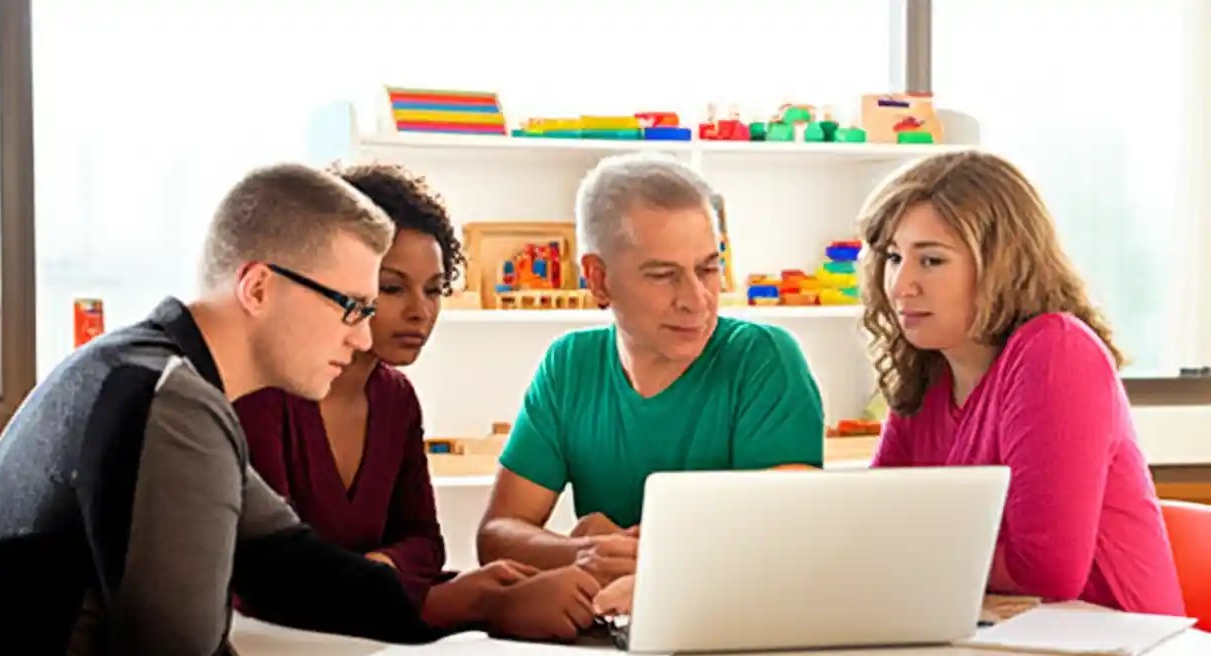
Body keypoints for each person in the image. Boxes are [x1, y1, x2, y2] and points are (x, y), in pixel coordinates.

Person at [0, 163, 541, 656]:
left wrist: (461, 605)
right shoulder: (169, 399)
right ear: (257, 288)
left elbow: (287, 563)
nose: (361, 340)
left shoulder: (153, 374)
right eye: (349, 308)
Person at [234, 163, 600, 641]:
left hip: (372, 644)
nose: (419, 311)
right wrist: (458, 599)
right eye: (391, 288)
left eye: (433, 290)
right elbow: (268, 578)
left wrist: (382, 576)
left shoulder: (396, 398)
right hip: (277, 648)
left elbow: (426, 543)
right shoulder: (266, 394)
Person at [476, 153, 826, 591]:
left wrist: (636, 549)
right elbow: (497, 535)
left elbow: (788, 534)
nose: (696, 299)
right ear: (598, 280)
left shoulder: (762, 358)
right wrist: (585, 553)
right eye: (664, 275)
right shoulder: (569, 365)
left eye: (708, 269)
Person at [859, 149, 1185, 615]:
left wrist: (910, 552)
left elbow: (1046, 571)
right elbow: (872, 526)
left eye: (930, 260)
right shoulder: (926, 373)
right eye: (893, 257)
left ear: (1001, 265)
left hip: (1118, 654)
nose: (900, 285)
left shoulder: (1056, 351)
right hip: (1006, 643)